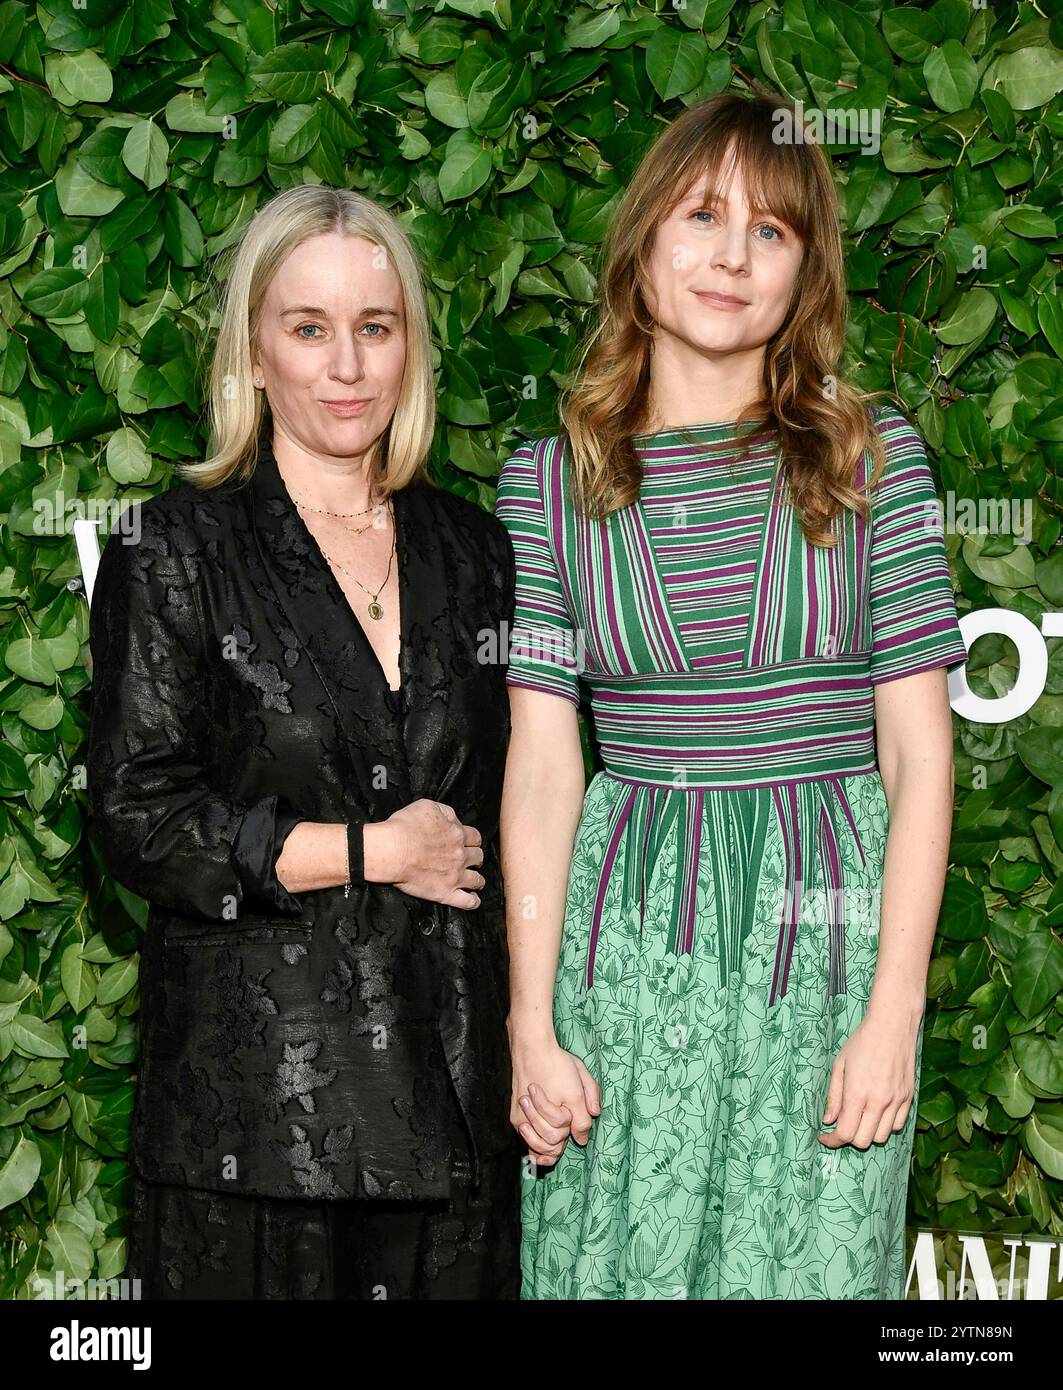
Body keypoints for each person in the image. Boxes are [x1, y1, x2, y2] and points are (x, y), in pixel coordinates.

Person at [495, 91, 969, 1300]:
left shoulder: (872, 458)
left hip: (824, 949)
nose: (730, 256)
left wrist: (891, 1014)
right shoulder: (546, 486)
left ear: (804, 273)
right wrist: (530, 1025)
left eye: (772, 232)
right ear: (644, 240)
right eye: (703, 216)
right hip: (624, 946)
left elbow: (916, 758)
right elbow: (547, 768)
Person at [86, 185, 521, 1300]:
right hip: (255, 1121)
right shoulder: (174, 544)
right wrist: (369, 850)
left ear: (410, 349)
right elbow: (139, 818)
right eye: (308, 327)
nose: (346, 365)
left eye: (375, 329)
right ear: (255, 352)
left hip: (452, 1102)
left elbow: (522, 815)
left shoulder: (475, 551)